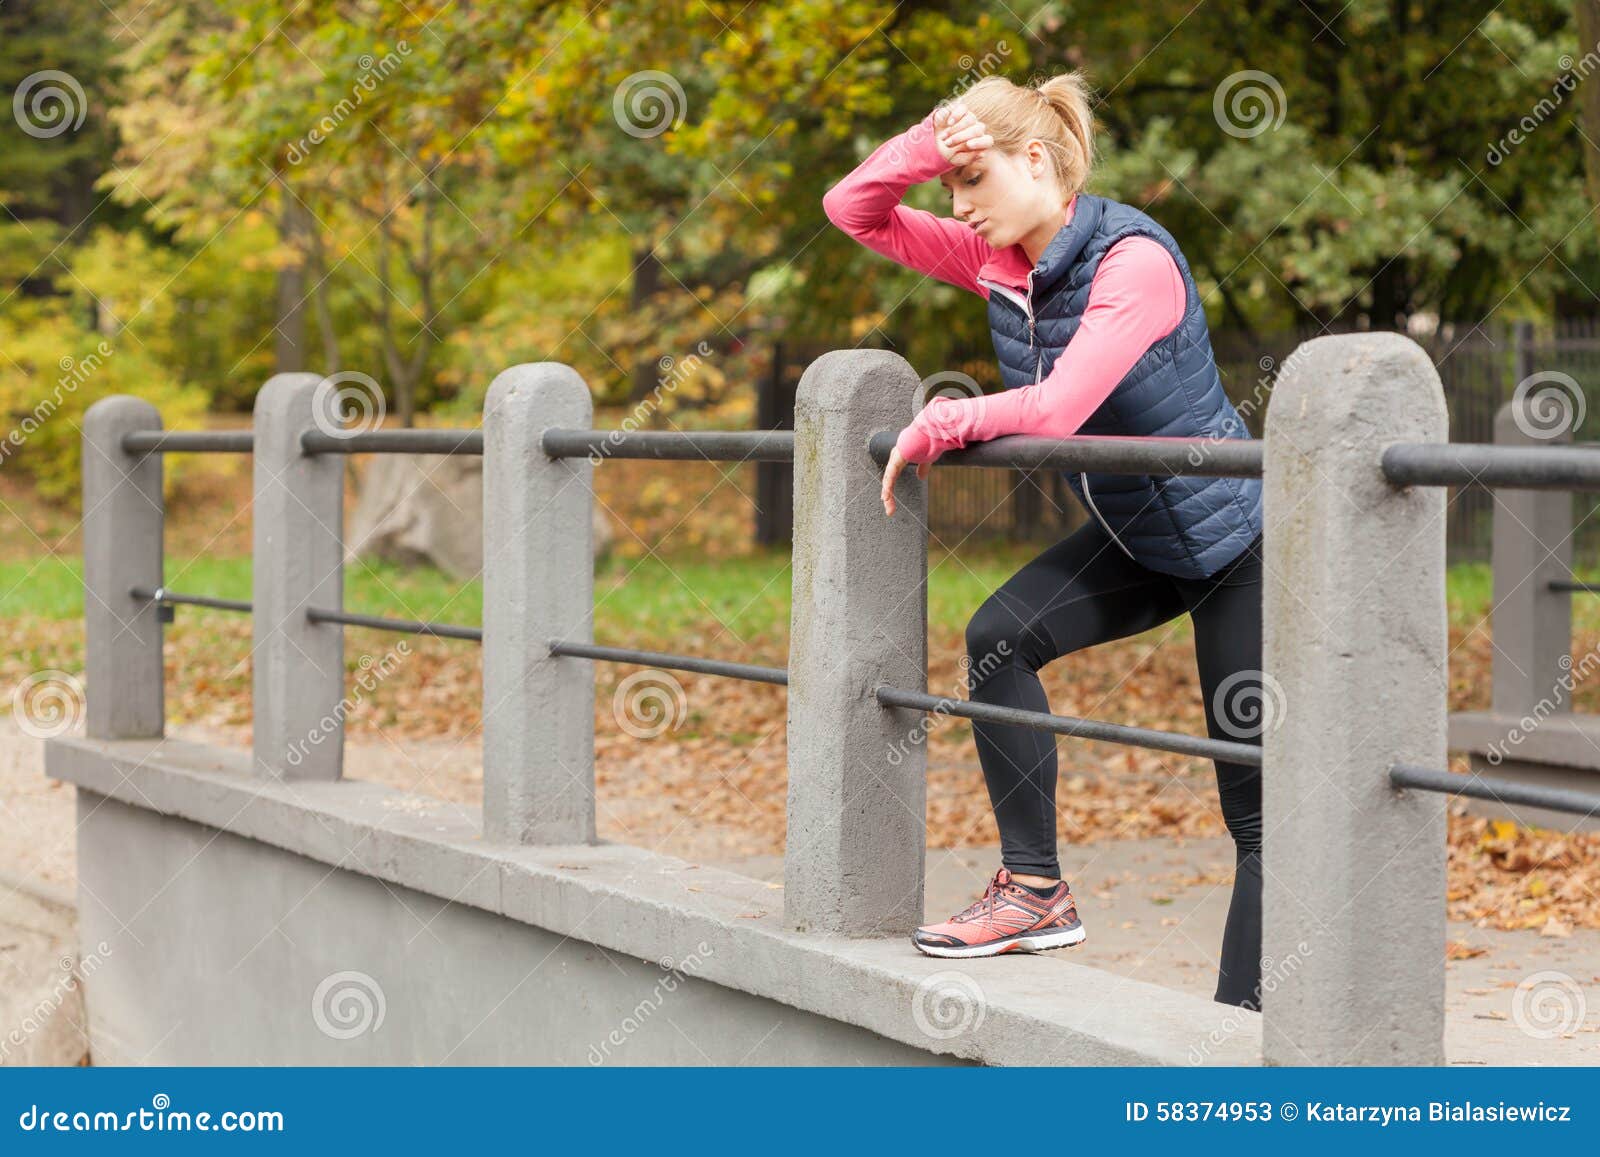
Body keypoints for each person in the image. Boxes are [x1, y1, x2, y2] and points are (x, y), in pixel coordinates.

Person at [820, 70, 1268, 1010]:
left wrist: (940, 422)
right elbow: (853, 210)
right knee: (999, 638)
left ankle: (1238, 1037)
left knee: (1259, 813)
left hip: (1239, 548)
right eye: (951, 187)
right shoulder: (998, 262)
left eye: (971, 182)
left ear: (1037, 162)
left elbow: (1062, 408)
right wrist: (930, 144)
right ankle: (1035, 891)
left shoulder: (1132, 263)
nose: (957, 205)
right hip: (1138, 537)